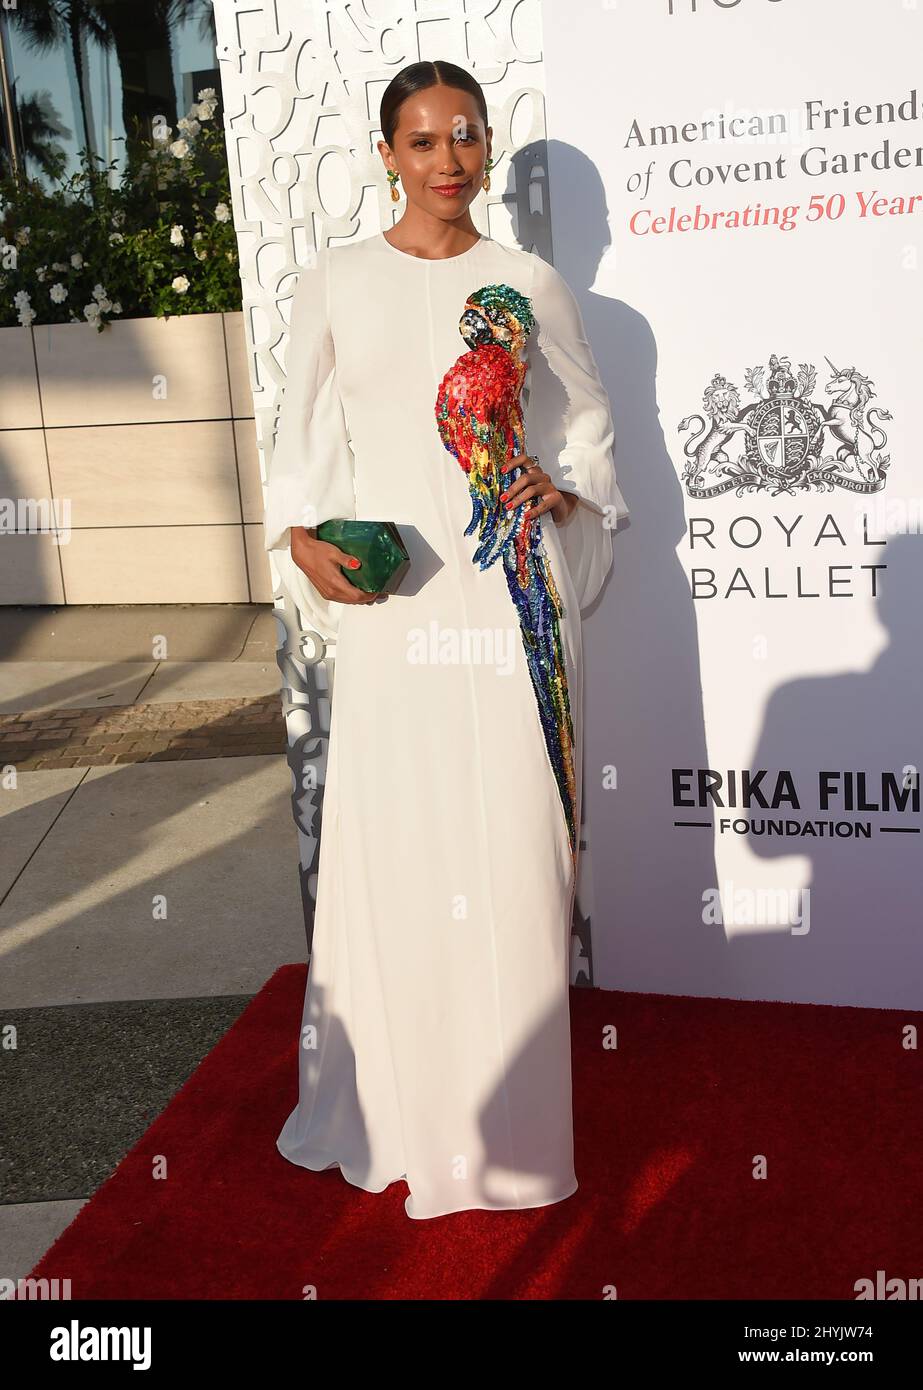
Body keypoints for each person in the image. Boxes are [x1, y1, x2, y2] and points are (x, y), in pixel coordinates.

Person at [264, 59, 622, 1220]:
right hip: (396, 615)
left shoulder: (529, 283)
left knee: (513, 855)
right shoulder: (337, 282)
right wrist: (299, 537)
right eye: (421, 141)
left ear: (483, 147)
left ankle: (510, 1127)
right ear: (387, 155)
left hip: (509, 600)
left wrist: (565, 497)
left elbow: (583, 424)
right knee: (402, 851)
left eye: (464, 135)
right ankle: (402, 1113)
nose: (448, 160)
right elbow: (302, 439)